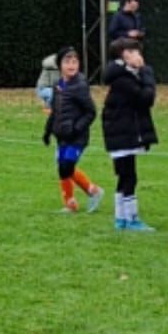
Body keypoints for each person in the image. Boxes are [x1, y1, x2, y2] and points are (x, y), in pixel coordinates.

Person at [101, 37, 158, 232]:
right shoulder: (124, 79)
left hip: (121, 132)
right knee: (128, 176)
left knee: (124, 176)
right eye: (133, 52)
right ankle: (131, 218)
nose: (138, 56)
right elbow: (145, 98)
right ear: (124, 57)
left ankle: (121, 218)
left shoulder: (124, 76)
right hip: (122, 134)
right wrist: (147, 74)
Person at [42, 45, 104, 214]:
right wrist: (47, 131)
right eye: (67, 61)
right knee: (62, 168)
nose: (71, 65)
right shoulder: (58, 85)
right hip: (61, 135)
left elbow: (91, 112)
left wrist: (77, 128)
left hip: (77, 137)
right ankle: (70, 204)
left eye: (75, 61)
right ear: (59, 65)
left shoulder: (80, 85)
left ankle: (94, 191)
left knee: (66, 166)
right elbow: (55, 111)